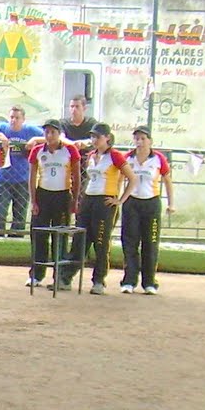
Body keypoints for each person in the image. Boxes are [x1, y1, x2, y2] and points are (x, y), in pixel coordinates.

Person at [76, 123, 133, 295]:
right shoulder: (91, 155)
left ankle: (99, 280)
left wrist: (120, 200)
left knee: (101, 240)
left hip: (105, 200)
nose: (94, 140)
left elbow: (132, 178)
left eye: (98, 137)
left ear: (107, 138)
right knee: (80, 238)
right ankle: (67, 275)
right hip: (89, 198)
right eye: (92, 137)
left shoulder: (115, 156)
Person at [26, 119, 80, 290]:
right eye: (47, 132)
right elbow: (32, 177)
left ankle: (60, 276)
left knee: (60, 236)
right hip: (43, 195)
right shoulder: (37, 151)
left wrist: (75, 199)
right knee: (39, 234)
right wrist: (34, 200)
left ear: (60, 134)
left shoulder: (69, 150)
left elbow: (76, 176)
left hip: (62, 196)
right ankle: (36, 273)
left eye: (53, 132)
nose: (49, 136)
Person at [120, 126, 173, 295]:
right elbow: (119, 179)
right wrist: (118, 199)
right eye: (136, 138)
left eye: (143, 138)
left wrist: (171, 203)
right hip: (131, 203)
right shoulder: (127, 158)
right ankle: (129, 281)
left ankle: (149, 282)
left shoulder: (158, 159)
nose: (139, 142)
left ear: (150, 141)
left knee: (150, 243)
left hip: (151, 204)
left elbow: (167, 181)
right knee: (130, 242)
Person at [0, 106, 41, 237]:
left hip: (23, 179)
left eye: (17, 118)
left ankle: (16, 238)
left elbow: (51, 136)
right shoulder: (2, 128)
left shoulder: (30, 130)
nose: (13, 120)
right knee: (0, 212)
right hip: (3, 179)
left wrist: (34, 140)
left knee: (19, 214)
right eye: (11, 117)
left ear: (23, 119)